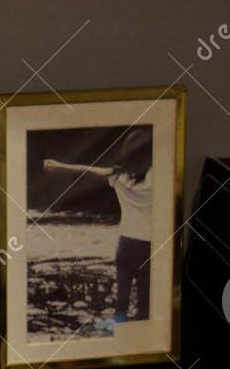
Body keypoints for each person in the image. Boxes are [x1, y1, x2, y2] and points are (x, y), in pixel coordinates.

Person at [42, 131, 153, 330]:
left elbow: (86, 171)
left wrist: (58, 166)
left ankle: (117, 331)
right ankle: (141, 336)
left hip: (126, 243)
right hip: (149, 245)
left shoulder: (119, 176)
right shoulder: (159, 177)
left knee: (123, 296)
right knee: (145, 301)